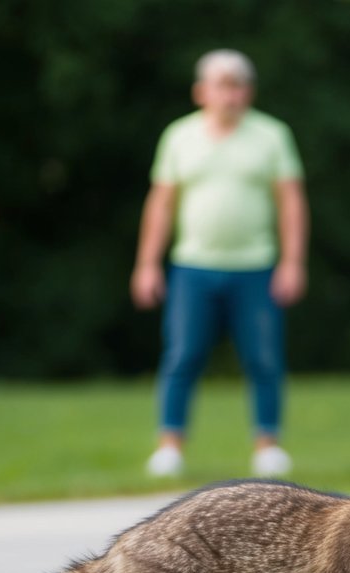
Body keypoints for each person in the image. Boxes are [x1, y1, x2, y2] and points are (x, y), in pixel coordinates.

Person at [131, 49, 309, 479]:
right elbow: (161, 204)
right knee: (182, 355)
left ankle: (268, 446)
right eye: (222, 85)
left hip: (256, 267)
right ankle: (169, 446)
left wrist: (292, 261)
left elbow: (290, 202)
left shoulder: (272, 135)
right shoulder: (179, 136)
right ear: (201, 92)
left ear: (249, 92)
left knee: (263, 358)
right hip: (192, 266)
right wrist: (147, 263)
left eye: (238, 85)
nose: (231, 94)